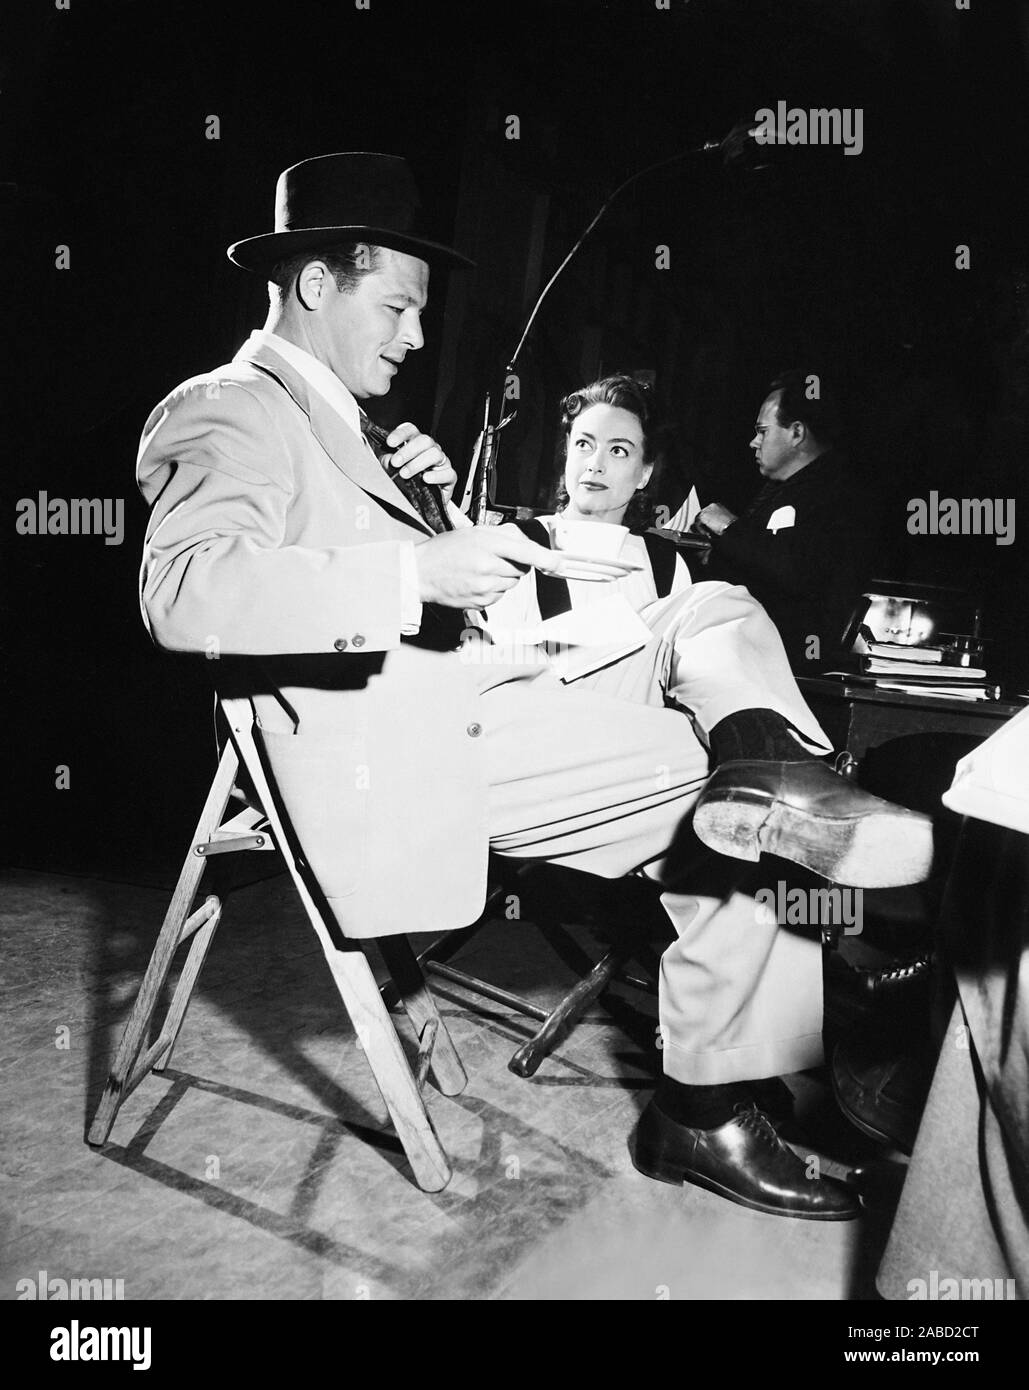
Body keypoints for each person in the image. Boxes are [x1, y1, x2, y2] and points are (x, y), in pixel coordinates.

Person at [136, 153, 933, 1220]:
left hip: (462, 701)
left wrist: (430, 519)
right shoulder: (228, 404)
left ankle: (776, 804)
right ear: (317, 284)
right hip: (389, 747)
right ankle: (744, 1055)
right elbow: (186, 591)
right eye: (399, 307)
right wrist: (415, 566)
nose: (416, 335)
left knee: (714, 617)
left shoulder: (347, 425)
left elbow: (414, 593)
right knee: (725, 791)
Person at [694, 371, 880, 670]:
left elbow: (798, 569)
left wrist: (730, 528)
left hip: (789, 666)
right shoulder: (784, 488)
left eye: (763, 431)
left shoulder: (836, 495)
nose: (754, 442)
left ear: (796, 432)